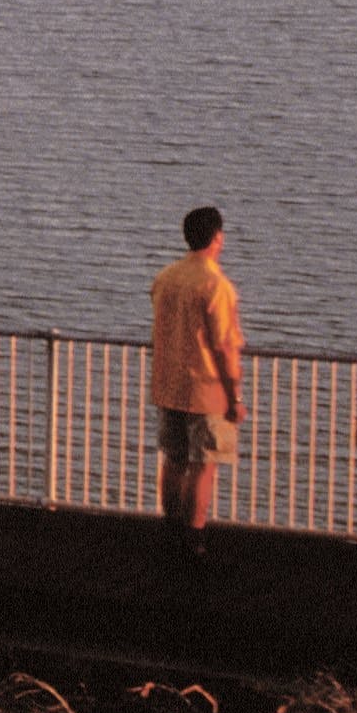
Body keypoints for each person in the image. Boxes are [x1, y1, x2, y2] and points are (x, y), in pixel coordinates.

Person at [150, 205, 244, 558]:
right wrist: (234, 396)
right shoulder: (216, 286)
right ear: (217, 237)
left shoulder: (166, 277)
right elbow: (224, 346)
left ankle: (171, 528)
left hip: (168, 382)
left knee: (173, 460)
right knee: (203, 464)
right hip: (206, 388)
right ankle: (194, 537)